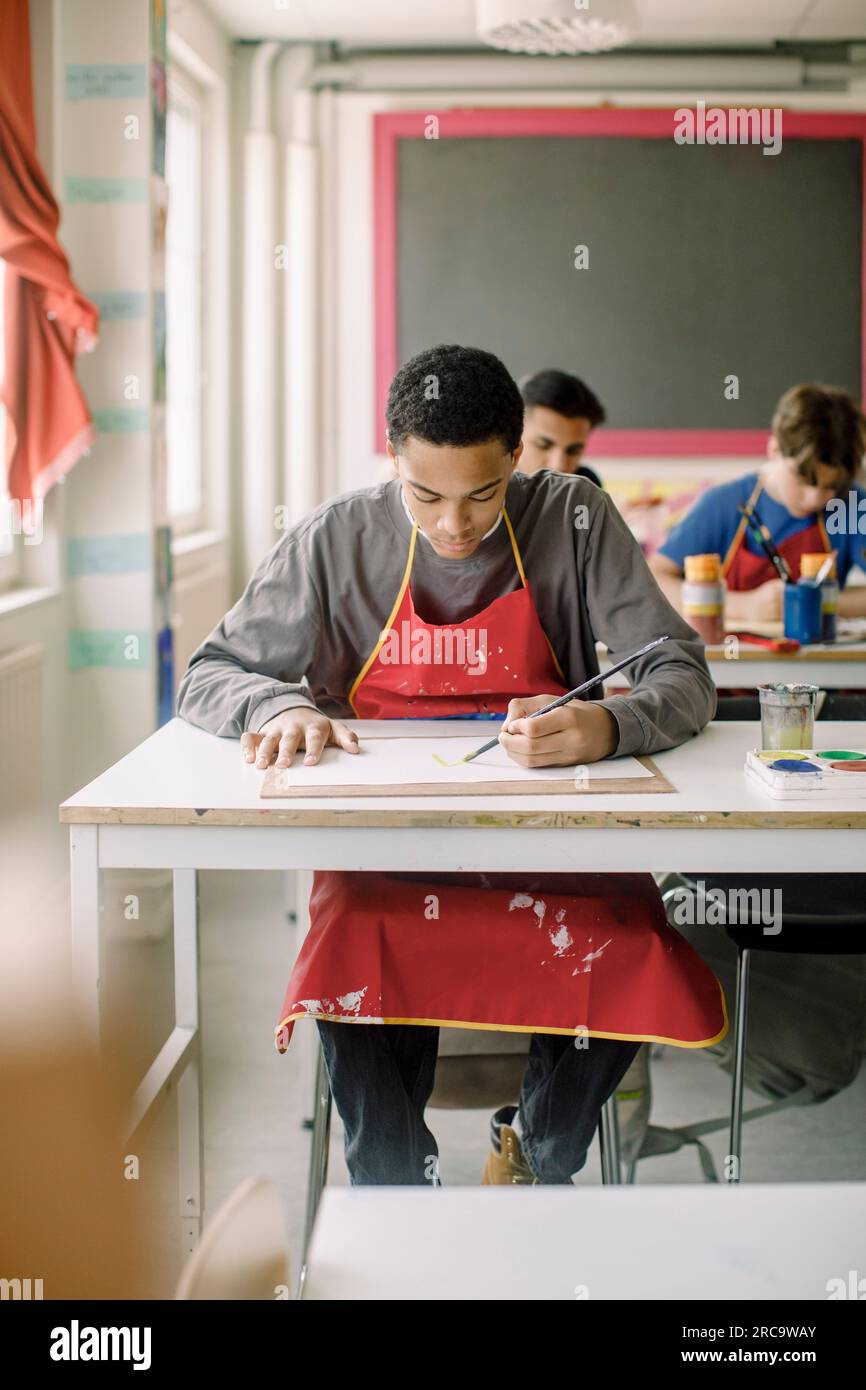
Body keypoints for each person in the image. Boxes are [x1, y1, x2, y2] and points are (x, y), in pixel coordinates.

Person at [177, 344, 725, 1186]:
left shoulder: (573, 518)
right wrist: (278, 704)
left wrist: (607, 726)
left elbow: (683, 673)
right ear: (391, 458)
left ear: (519, 457)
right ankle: (395, 1193)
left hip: (558, 844)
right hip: (385, 850)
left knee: (633, 938)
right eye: (424, 494)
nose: (453, 526)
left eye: (483, 493)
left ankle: (535, 1155)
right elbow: (210, 672)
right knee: (351, 947)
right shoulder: (337, 538)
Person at [649, 383, 866, 623]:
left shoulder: (851, 506)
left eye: (831, 485)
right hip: (733, 658)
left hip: (820, 658)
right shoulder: (723, 504)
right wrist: (740, 606)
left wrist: (815, 601)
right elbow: (655, 579)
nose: (816, 498)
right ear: (774, 450)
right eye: (804, 479)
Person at [517, 367, 606, 486]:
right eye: (543, 446)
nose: (558, 466)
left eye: (573, 451)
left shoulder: (586, 487)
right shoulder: (486, 487)